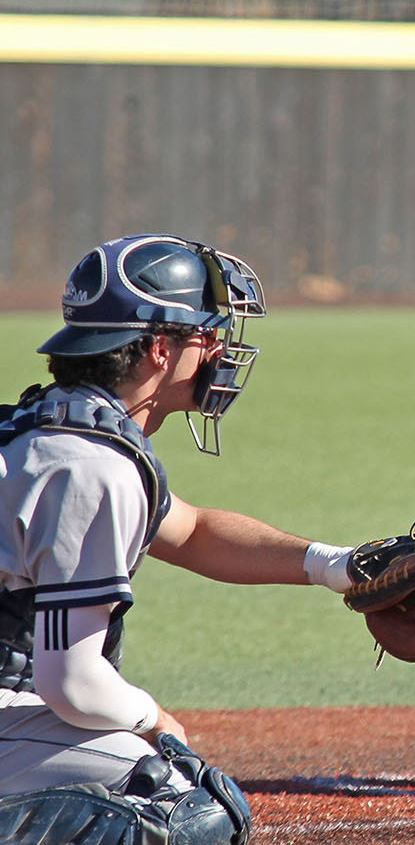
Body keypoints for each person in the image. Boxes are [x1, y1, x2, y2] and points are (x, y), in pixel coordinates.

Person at [0, 234, 370, 844]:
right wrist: (154, 720)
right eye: (206, 333)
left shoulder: (46, 429)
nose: (221, 349)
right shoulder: (89, 465)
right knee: (186, 813)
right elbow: (70, 681)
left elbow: (194, 532)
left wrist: (340, 566)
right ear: (157, 350)